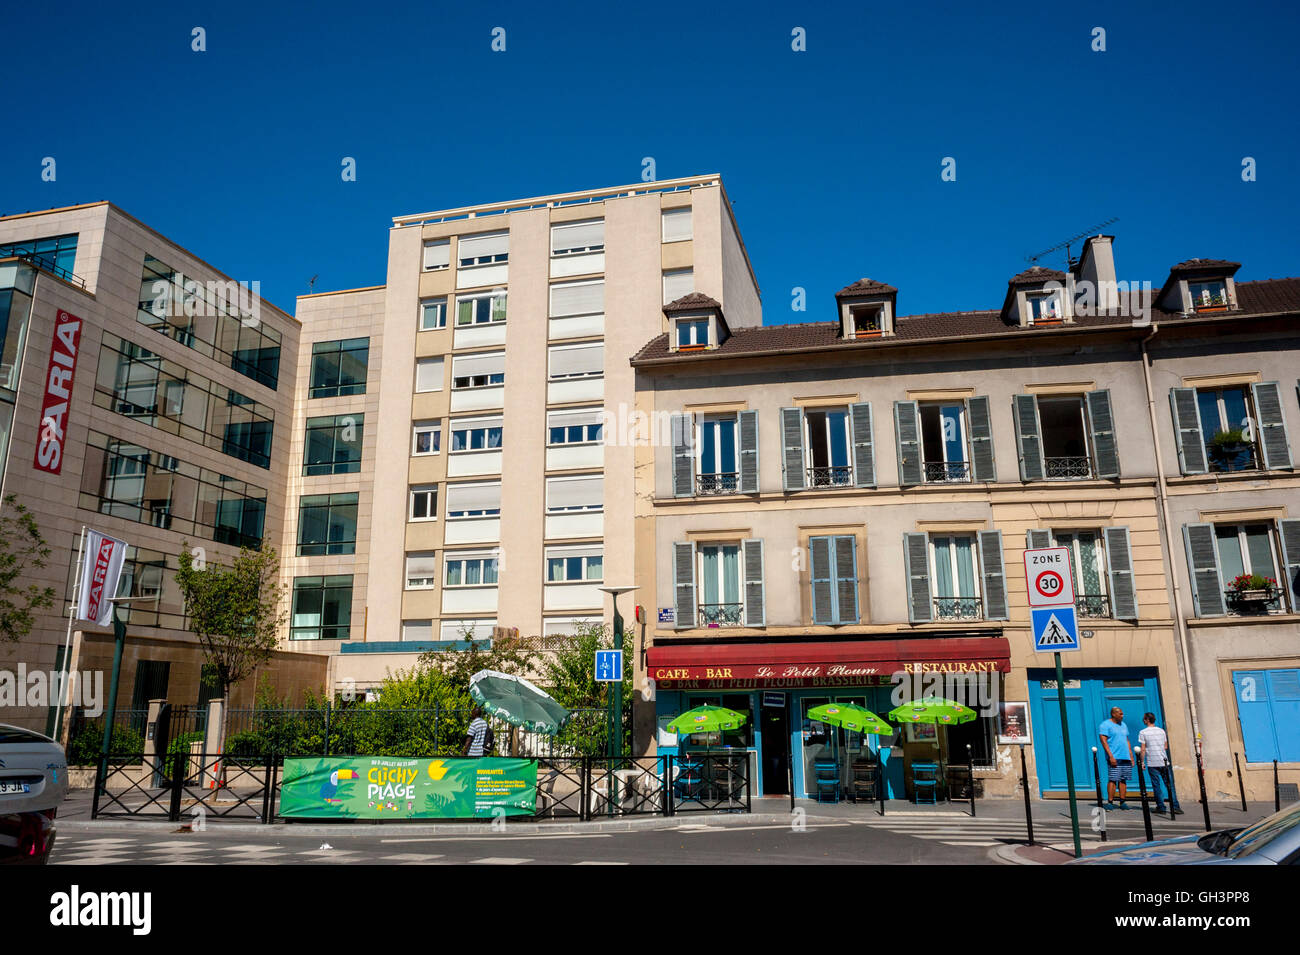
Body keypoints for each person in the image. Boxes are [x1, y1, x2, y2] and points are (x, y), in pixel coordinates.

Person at [1138, 712, 1183, 814]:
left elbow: (1143, 749)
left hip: (1152, 762)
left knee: (1156, 785)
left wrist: (1142, 762)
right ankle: (1175, 807)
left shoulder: (1143, 732)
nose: (1143, 720)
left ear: (1147, 720)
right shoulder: (1161, 731)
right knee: (1169, 785)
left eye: (1144, 719)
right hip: (1164, 761)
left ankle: (1161, 807)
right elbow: (1165, 746)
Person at [1099, 706, 1133, 810]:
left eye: (1122, 714)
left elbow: (1126, 740)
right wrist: (1110, 756)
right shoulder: (1105, 725)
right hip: (1114, 756)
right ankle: (1110, 802)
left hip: (1125, 756)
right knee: (1113, 779)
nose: (1122, 716)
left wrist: (1131, 755)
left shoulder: (1123, 725)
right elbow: (1103, 741)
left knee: (1123, 780)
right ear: (1114, 714)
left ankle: (1122, 802)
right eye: (1120, 714)